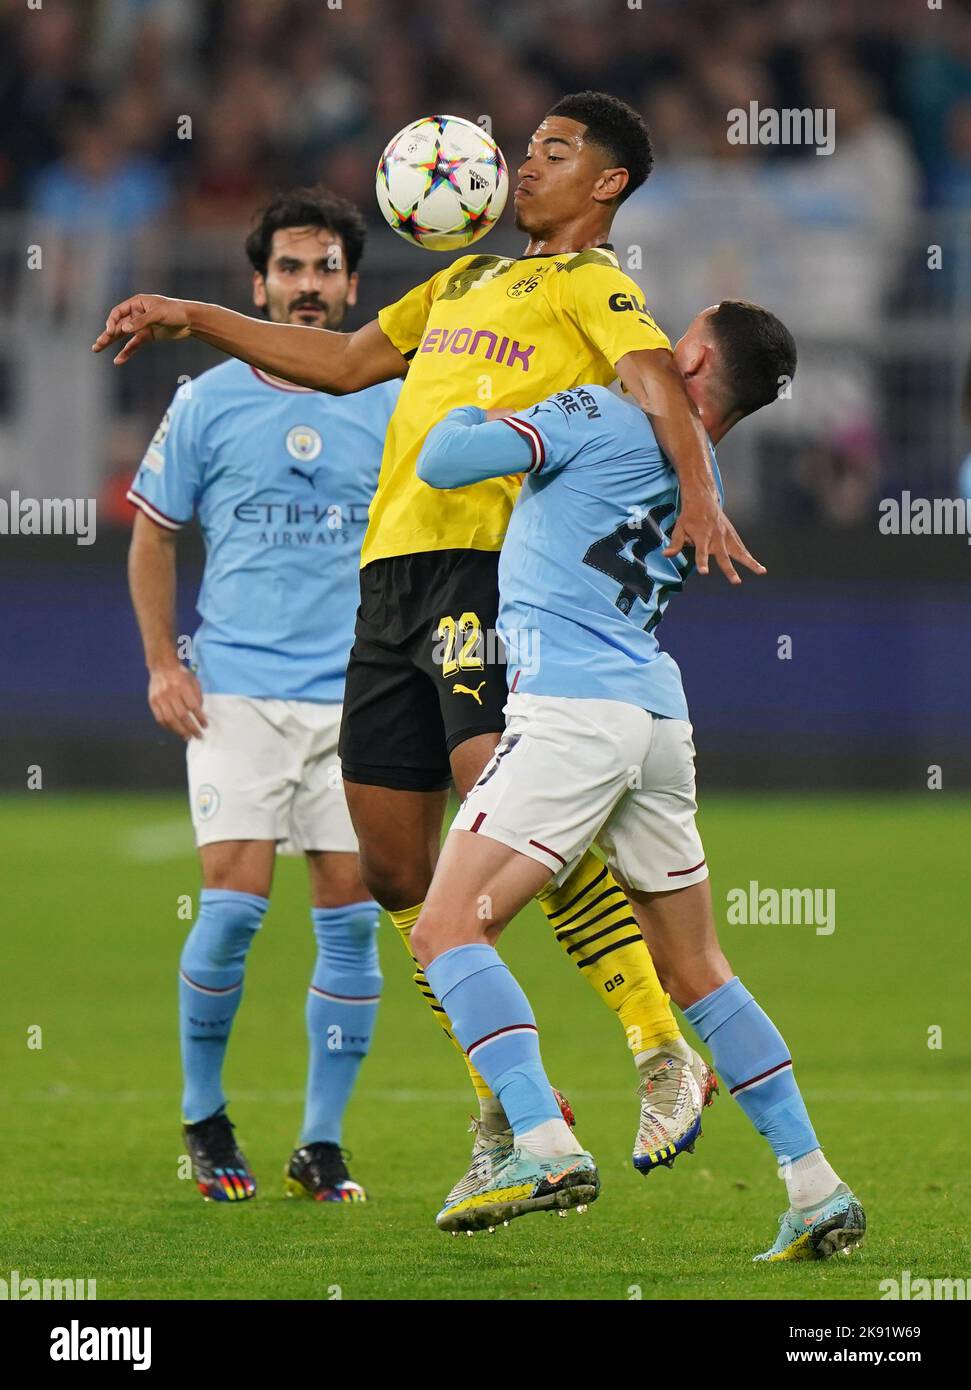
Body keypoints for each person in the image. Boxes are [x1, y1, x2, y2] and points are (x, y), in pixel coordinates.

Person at [95, 92, 761, 1191]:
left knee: (493, 817)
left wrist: (699, 490)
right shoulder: (462, 283)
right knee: (397, 870)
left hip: (481, 570)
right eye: (524, 147)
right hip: (386, 591)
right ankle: (508, 1107)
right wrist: (191, 313)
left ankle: (654, 1045)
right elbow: (344, 362)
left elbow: (652, 384)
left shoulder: (591, 285)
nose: (523, 164)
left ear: (604, 185)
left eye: (551, 151)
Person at [411, 300, 867, 1263]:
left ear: (691, 355)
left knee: (447, 929)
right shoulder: (707, 472)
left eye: (673, 332)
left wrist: (476, 393)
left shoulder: (599, 414)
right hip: (656, 717)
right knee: (697, 969)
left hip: (570, 714)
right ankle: (812, 1184)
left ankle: (536, 1139)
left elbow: (443, 460)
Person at [127, 188, 399, 1204]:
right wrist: (164, 662)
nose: (308, 287)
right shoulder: (205, 400)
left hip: (354, 698)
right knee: (234, 909)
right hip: (235, 688)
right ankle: (204, 1113)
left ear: (351, 285)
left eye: (325, 269)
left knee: (349, 922)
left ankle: (320, 1142)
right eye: (290, 269)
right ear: (258, 285)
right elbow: (153, 531)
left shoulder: (389, 396)